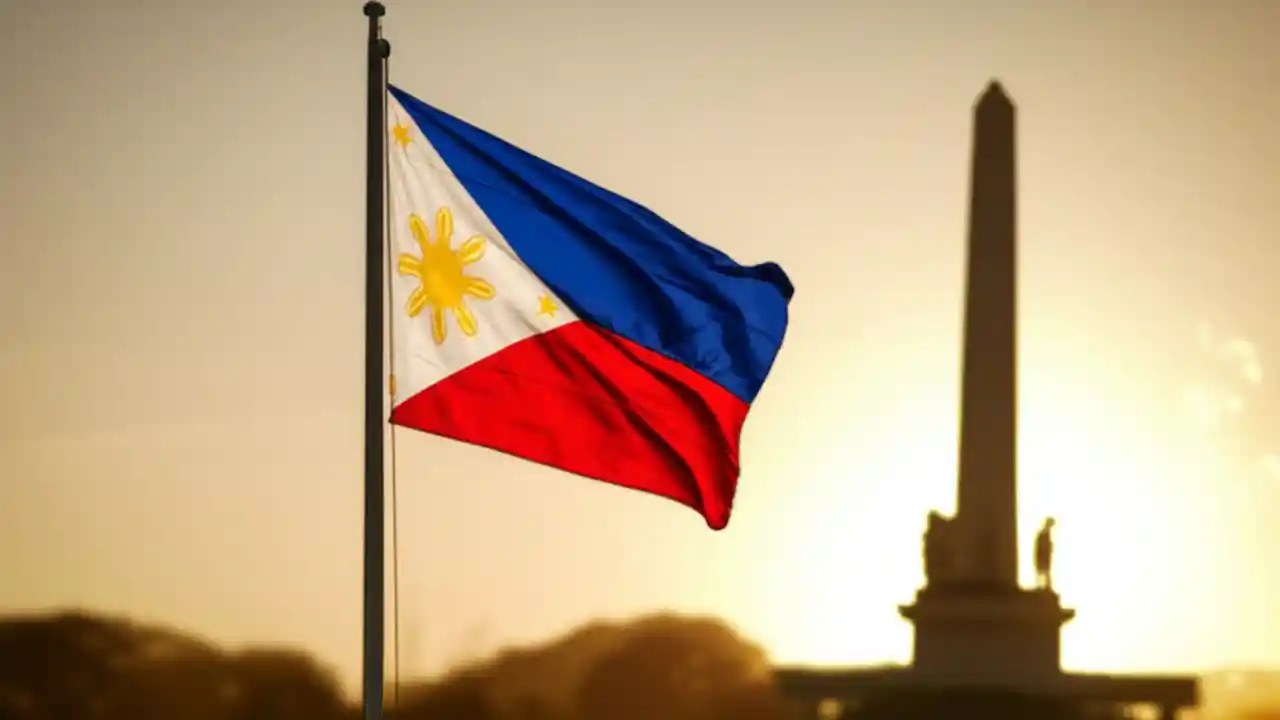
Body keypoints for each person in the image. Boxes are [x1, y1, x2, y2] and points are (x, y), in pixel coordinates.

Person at [1034, 517, 1055, 591]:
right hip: (1042, 556)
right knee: (1043, 572)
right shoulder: (1043, 534)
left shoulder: (1046, 534)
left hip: (1045, 557)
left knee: (1044, 572)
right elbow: (1041, 546)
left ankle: (1045, 586)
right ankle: (1042, 586)